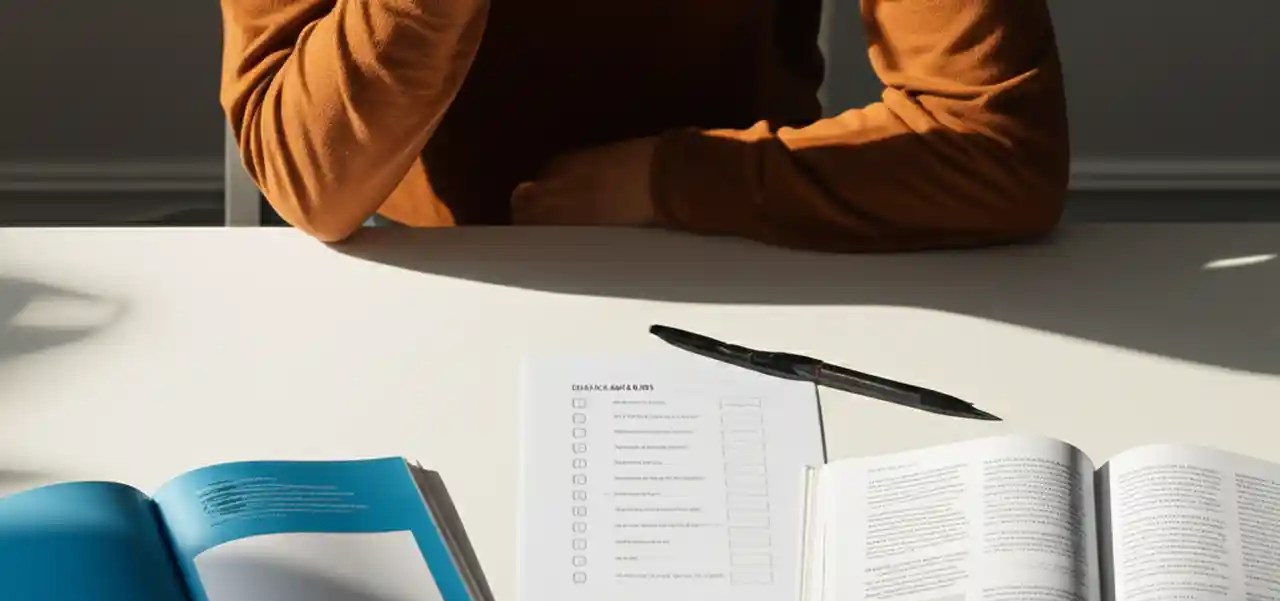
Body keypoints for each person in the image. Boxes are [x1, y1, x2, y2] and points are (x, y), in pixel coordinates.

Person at [219, 0, 1069, 251]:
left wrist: (664, 181)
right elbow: (312, 182)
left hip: (749, 252)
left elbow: (997, 149)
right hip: (421, 271)